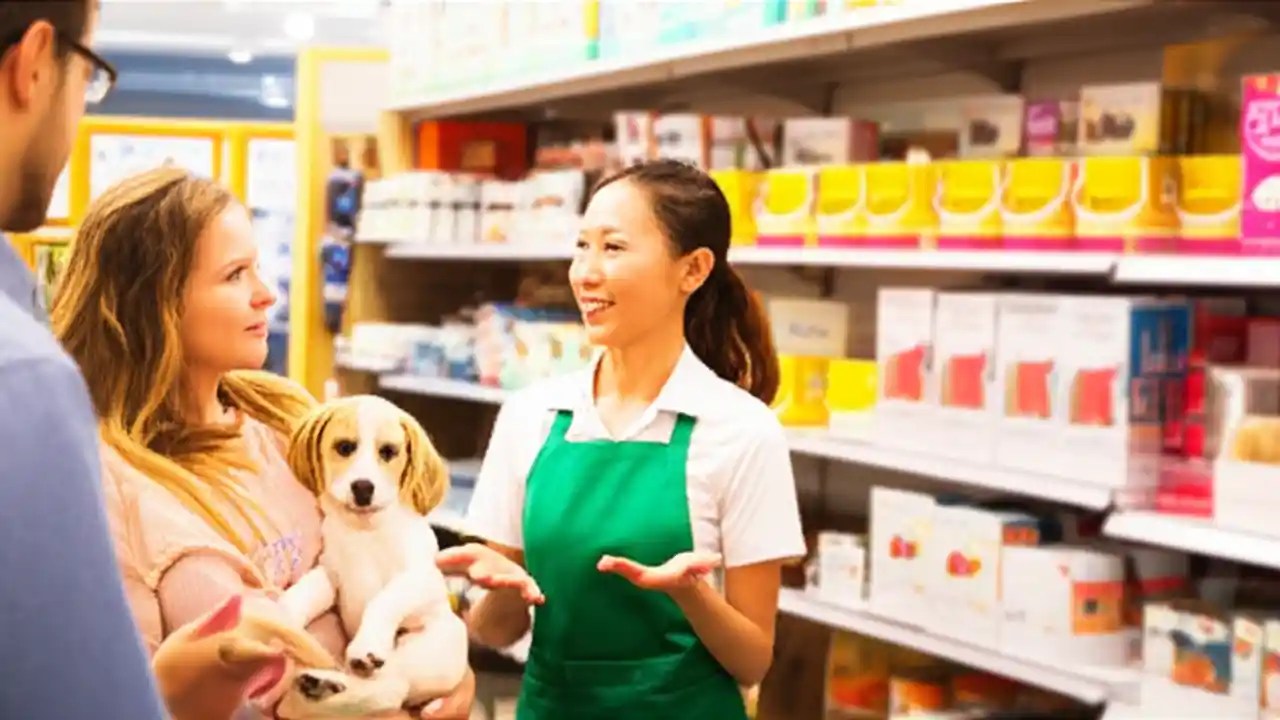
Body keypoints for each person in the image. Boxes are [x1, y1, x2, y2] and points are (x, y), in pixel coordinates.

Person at [48, 165, 474, 720]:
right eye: (235, 275)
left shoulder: (290, 423)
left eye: (259, 269)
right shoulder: (101, 481)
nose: (266, 296)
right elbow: (120, 698)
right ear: (155, 302)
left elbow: (395, 573)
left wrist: (449, 675)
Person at [440, 158, 807, 718]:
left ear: (693, 270)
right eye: (581, 247)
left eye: (613, 248)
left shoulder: (741, 431)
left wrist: (691, 593)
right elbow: (492, 630)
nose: (586, 272)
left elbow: (753, 660)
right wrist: (503, 590)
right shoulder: (531, 416)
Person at [0, 2, 280, 717]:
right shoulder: (31, 389)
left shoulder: (289, 424)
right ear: (34, 63)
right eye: (89, 75)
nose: (267, 297)